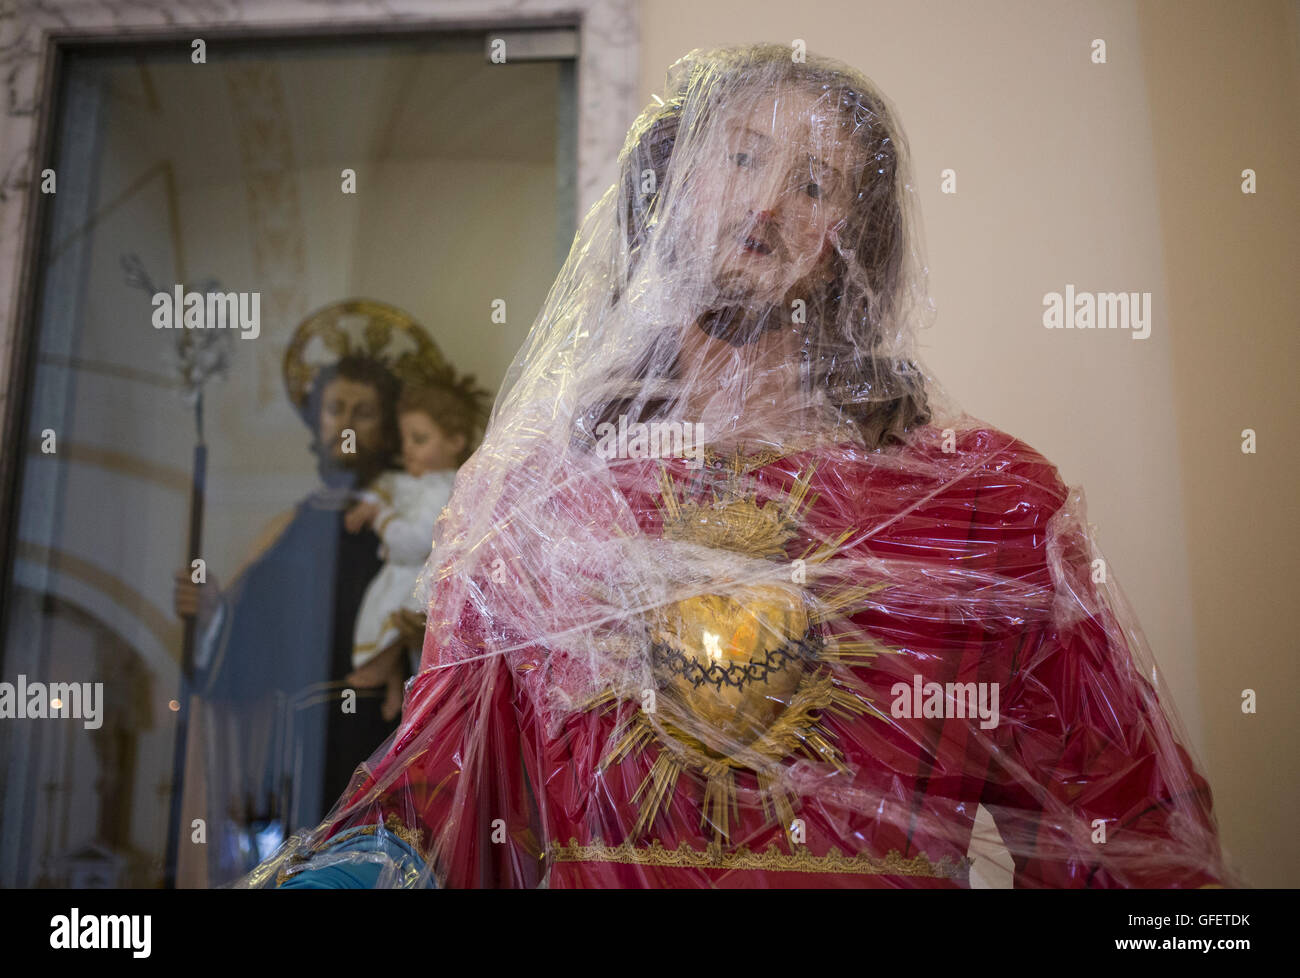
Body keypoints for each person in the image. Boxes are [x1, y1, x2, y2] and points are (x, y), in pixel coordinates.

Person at [247, 45, 1235, 889]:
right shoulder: (537, 501)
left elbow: (1120, 824)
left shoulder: (980, 508)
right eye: (742, 157)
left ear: (858, 240)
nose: (766, 202)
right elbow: (438, 793)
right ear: (667, 191)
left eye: (815, 182)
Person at [174, 301, 451, 884]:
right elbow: (245, 666)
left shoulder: (415, 516)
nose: (346, 423)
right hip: (298, 750)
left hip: (382, 734)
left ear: (389, 428)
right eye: (334, 409)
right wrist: (216, 618)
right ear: (315, 420)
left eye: (364, 411)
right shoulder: (286, 530)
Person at [345, 377, 486, 722]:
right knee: (385, 603)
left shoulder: (449, 486)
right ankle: (396, 685)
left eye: (419, 439)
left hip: (422, 571)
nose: (407, 448)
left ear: (456, 441)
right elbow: (386, 487)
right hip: (402, 569)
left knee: (400, 612)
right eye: (405, 437)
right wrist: (370, 503)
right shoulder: (413, 480)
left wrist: (381, 520)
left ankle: (384, 666)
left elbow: (417, 540)